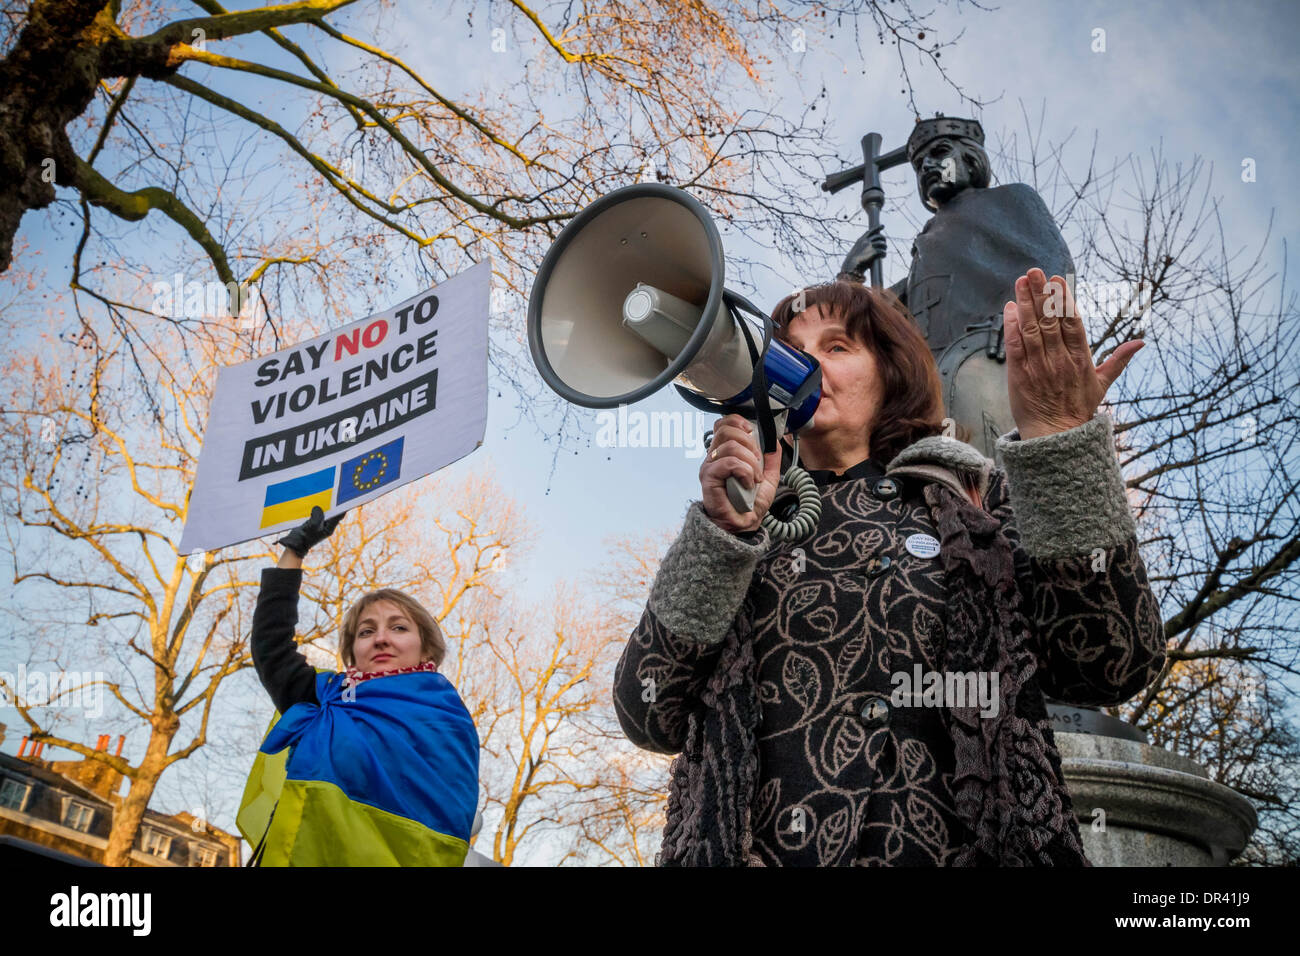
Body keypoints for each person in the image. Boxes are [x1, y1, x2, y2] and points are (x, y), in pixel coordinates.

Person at [613, 268, 1166, 866]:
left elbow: (1112, 660)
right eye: (790, 352)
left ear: (891, 370)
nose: (806, 365)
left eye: (836, 346)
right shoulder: (743, 527)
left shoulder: (974, 501)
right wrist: (723, 534)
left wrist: (1060, 443)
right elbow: (648, 713)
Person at [237, 506, 480, 866]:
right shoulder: (326, 698)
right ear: (351, 652)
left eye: (398, 628)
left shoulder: (447, 720)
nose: (381, 639)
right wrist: (295, 550)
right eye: (366, 632)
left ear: (426, 646)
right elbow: (271, 646)